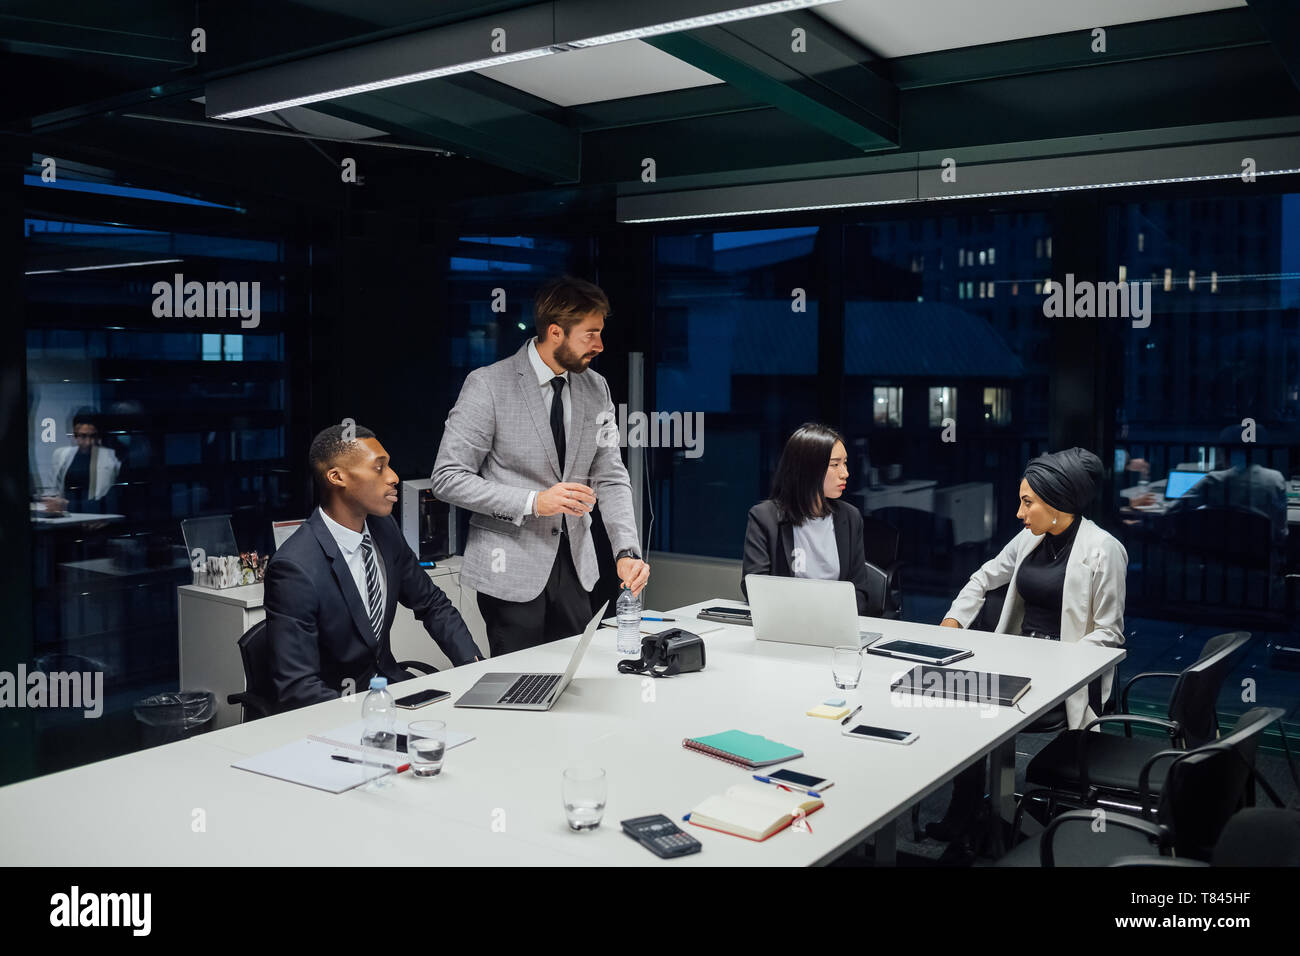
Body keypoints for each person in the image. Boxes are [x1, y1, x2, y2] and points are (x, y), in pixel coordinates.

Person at [432, 276, 649, 657]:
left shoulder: (596, 388)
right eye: (590, 335)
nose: (600, 346)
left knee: (576, 681)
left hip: (576, 567)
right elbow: (448, 479)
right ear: (555, 332)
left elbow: (611, 477)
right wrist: (535, 501)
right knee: (518, 688)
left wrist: (625, 551)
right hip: (509, 569)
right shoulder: (488, 385)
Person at [929, 447, 1127, 860]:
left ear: (1057, 503)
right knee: (964, 703)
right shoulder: (1031, 538)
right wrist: (953, 622)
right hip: (1016, 660)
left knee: (983, 709)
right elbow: (984, 577)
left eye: (1027, 502)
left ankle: (982, 823)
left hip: (1066, 678)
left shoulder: (1103, 550)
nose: (1020, 514)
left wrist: (1056, 657)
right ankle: (968, 813)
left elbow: (1110, 632)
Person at [265, 424, 479, 712]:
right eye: (379, 468)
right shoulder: (294, 567)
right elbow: (298, 688)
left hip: (392, 696)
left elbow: (432, 605)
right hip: (336, 714)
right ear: (337, 477)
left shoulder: (383, 529)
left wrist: (475, 669)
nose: (393, 477)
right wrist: (371, 717)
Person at [741, 423, 873, 614]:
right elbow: (753, 587)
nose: (845, 473)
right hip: (784, 621)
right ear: (808, 469)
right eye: (835, 465)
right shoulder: (765, 517)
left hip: (836, 623)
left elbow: (859, 590)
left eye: (844, 463)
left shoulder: (850, 517)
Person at [1155, 425, 1288, 546]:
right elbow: (1281, 532)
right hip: (1261, 562)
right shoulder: (1276, 479)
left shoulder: (1213, 480)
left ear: (1225, 453)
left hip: (1217, 561)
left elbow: (1171, 511)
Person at [43, 409, 121, 514]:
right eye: (83, 436)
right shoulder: (61, 454)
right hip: (67, 515)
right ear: (75, 435)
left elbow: (112, 496)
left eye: (92, 436)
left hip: (95, 514)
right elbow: (53, 488)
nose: (88, 442)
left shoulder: (111, 457)